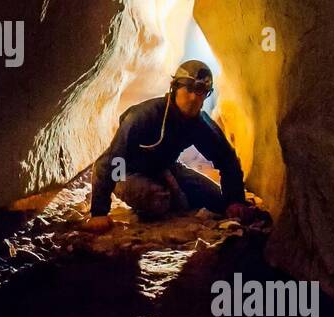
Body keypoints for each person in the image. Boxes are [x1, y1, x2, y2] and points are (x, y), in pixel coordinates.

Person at [86, 59, 247, 227]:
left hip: (165, 169)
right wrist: (99, 212)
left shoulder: (199, 123)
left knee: (218, 200)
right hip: (125, 172)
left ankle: (173, 193)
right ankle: (170, 196)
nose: (193, 97)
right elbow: (111, 161)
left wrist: (235, 200)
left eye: (200, 91)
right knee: (158, 201)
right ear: (175, 88)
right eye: (189, 88)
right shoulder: (143, 116)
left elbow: (227, 159)